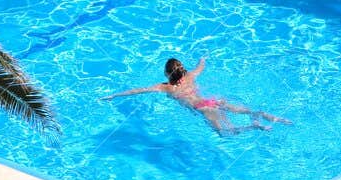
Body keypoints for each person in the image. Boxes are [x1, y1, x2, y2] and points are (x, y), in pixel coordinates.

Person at [103, 56, 291, 135]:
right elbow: (201, 67)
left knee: (226, 133)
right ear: (182, 70)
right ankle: (267, 116)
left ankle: (254, 126)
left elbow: (137, 91)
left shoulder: (165, 87)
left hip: (203, 108)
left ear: (168, 74)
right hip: (214, 101)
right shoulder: (191, 76)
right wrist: (203, 59)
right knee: (247, 110)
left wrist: (115, 95)